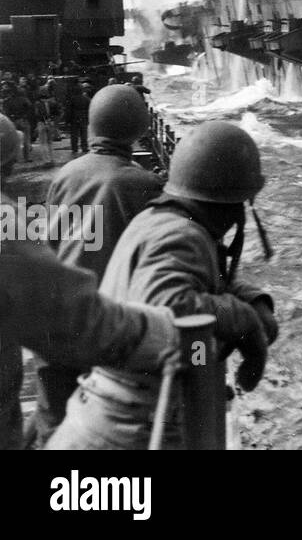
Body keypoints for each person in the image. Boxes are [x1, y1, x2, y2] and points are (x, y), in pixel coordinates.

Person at [47, 121, 278, 451]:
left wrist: (253, 300)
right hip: (134, 431)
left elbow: (200, 279)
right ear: (238, 202)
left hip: (110, 414)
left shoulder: (161, 221)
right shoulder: (183, 235)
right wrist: (245, 323)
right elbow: (167, 304)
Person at [0, 116, 179, 450]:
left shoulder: (67, 175)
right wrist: (167, 332)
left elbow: (49, 242)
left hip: (49, 339)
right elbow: (79, 317)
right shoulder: (143, 183)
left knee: (50, 414)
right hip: (90, 316)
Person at [65, 80, 93, 155]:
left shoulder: (72, 99)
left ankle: (75, 149)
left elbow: (69, 110)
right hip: (83, 117)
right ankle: (84, 147)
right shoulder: (86, 99)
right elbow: (90, 109)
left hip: (74, 118)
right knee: (84, 134)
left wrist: (67, 120)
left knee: (74, 134)